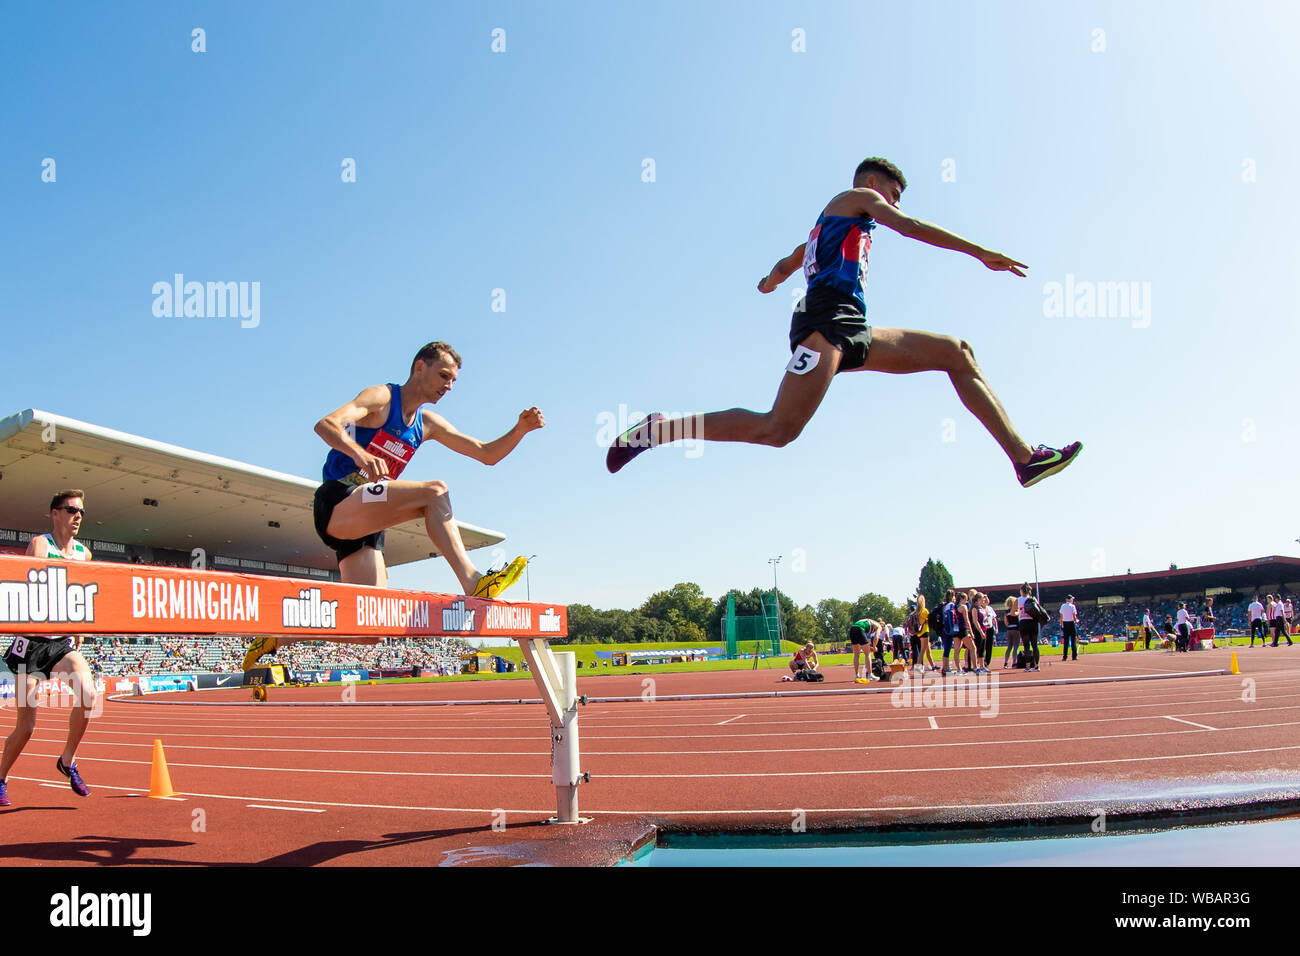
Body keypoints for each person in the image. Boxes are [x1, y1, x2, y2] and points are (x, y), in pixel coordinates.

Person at [605, 157, 1082, 488]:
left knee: (957, 352)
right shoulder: (855, 197)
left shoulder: (831, 225)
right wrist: (980, 253)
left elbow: (790, 260)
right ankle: (660, 428)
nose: (891, 206)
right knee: (778, 430)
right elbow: (910, 227)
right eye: (891, 196)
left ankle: (1024, 460)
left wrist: (769, 281)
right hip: (826, 322)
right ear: (872, 186)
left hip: (852, 325)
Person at [244, 342, 545, 670]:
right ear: (419, 368)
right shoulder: (382, 399)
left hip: (367, 520)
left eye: (454, 380)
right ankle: (474, 582)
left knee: (370, 629)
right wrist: (360, 454)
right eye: (443, 375)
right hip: (339, 499)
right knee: (436, 491)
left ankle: (277, 636)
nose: (449, 385)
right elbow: (326, 424)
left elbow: (486, 454)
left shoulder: (427, 423)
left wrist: (520, 430)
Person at [0, 491, 99, 806]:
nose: (78, 516)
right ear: (55, 513)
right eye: (71, 510)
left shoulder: (85, 555)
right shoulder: (40, 545)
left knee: (88, 693)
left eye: (81, 511)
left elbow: (83, 597)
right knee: (26, 727)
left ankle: (67, 761)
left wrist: (78, 627)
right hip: (29, 646)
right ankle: (0, 777)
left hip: (59, 645)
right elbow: (30, 590)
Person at [849, 617, 885, 683]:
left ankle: (857, 675)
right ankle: (870, 674)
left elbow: (864, 640)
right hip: (859, 629)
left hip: (852, 629)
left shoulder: (869, 623)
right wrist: (874, 647)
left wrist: (869, 646)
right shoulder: (879, 626)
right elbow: (876, 637)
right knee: (867, 654)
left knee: (856, 654)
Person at [1017, 584, 1042, 672]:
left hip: (1024, 622)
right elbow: (1039, 610)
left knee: (1026, 646)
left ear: (1022, 591)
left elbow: (1014, 612)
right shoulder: (1033, 599)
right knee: (1035, 645)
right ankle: (1037, 666)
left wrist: (1019, 613)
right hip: (1033, 623)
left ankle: (1027, 667)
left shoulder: (1019, 599)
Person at [1059, 595, 1079, 661]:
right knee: (1073, 641)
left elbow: (1061, 616)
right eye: (1072, 599)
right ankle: (1074, 656)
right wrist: (1076, 621)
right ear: (1070, 599)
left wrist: (1062, 625)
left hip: (1065, 623)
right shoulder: (1072, 606)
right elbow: (1074, 616)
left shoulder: (1062, 606)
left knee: (1066, 642)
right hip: (1071, 623)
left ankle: (1065, 657)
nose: (1073, 600)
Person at [1003, 596, 1021, 668]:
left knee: (1009, 647)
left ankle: (1006, 663)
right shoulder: (1016, 611)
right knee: (1016, 647)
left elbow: (1006, 623)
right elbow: (1019, 621)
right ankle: (1014, 662)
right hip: (1016, 629)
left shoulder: (1006, 612)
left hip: (1009, 630)